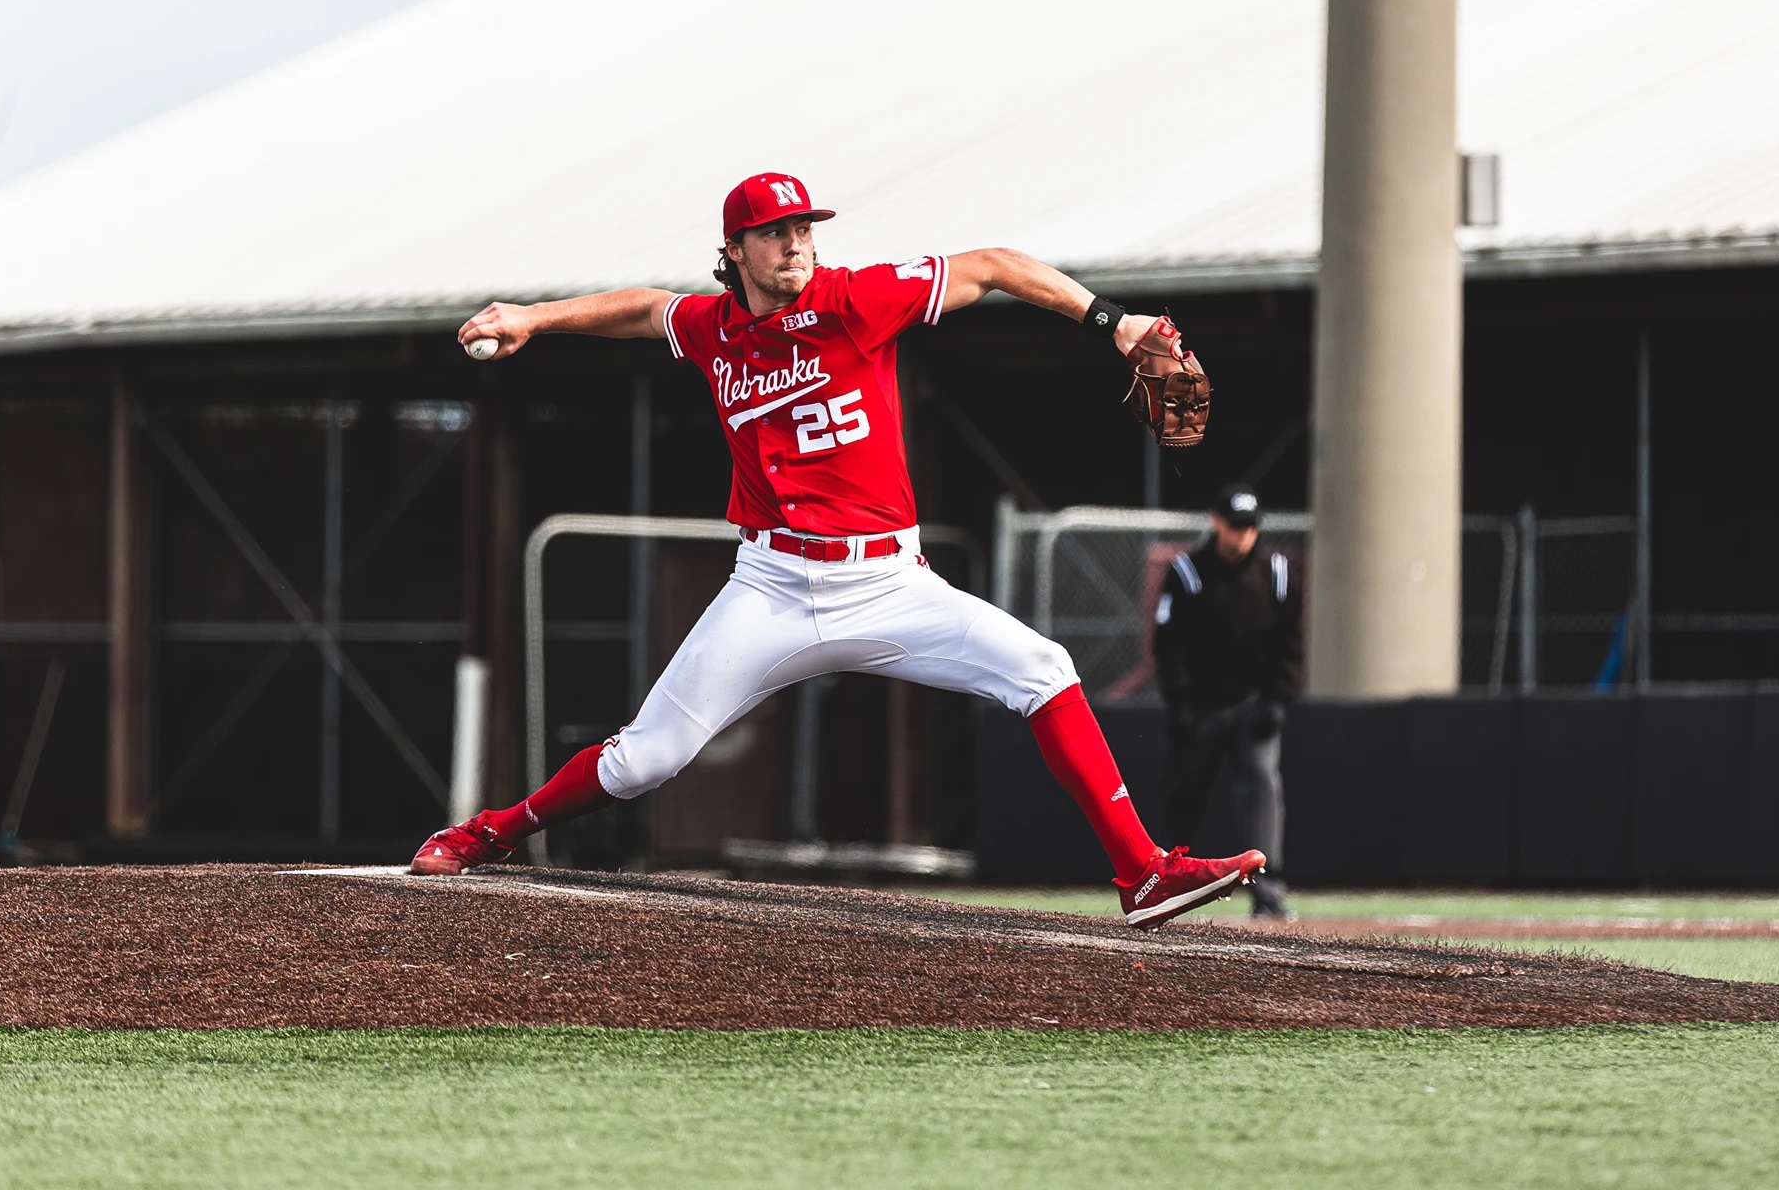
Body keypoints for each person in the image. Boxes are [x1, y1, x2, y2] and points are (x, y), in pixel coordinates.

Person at [410, 172, 1265, 928]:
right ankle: (488, 832)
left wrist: (1111, 321)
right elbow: (643, 308)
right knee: (647, 760)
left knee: (1043, 668)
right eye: (776, 232)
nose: (796, 244)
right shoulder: (713, 327)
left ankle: (1144, 873)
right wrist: (534, 316)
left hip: (890, 582)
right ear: (736, 250)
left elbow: (996, 264)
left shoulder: (856, 299)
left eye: (805, 228)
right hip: (773, 587)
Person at [1152, 484, 1303, 918]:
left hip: (1254, 704)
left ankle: (1269, 894)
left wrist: (1278, 698)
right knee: (1183, 795)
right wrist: (1178, 703)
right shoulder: (1187, 573)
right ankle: (1163, 887)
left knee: (1262, 787)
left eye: (1251, 526)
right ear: (1216, 522)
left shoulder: (1276, 572)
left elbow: (1290, 640)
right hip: (1199, 707)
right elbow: (1168, 643)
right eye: (1235, 525)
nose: (1243, 534)